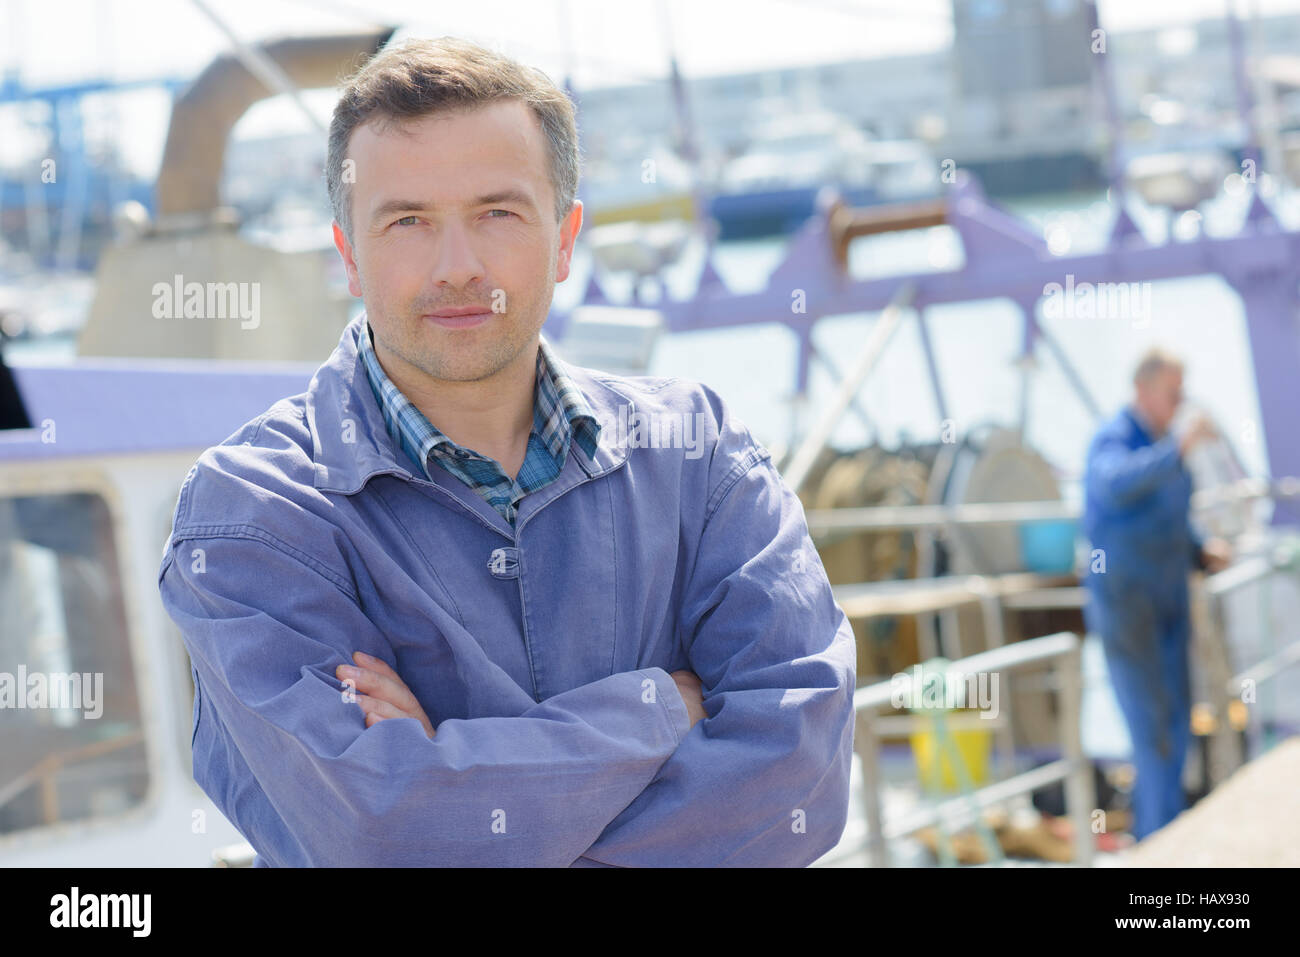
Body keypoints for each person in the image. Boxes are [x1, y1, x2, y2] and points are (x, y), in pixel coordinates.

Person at [156, 36, 856, 867]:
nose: (458, 267)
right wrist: (659, 707)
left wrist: (447, 774)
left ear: (564, 239)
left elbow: (802, 778)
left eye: (498, 213)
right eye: (408, 220)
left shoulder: (697, 456)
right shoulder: (254, 515)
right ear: (349, 254)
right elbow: (375, 834)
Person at [1082, 347, 1232, 842]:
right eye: (1173, 393)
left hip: (1168, 604)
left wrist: (1199, 549)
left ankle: (1167, 833)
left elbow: (1170, 516)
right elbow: (1114, 486)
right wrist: (1178, 449)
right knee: (1151, 730)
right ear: (1144, 391)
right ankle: (1154, 839)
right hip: (1128, 609)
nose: (1180, 403)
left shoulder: (1165, 446)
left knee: (1178, 723)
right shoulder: (1114, 439)